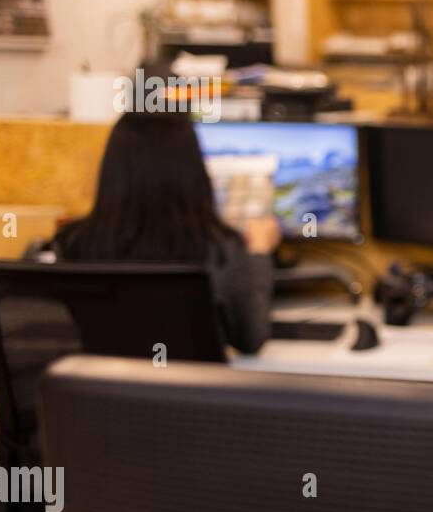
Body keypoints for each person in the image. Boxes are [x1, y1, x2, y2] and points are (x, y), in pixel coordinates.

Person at [54, 112, 278, 354]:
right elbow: (251, 338)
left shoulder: (72, 243)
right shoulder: (220, 248)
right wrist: (258, 252)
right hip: (188, 391)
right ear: (193, 170)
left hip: (100, 390)